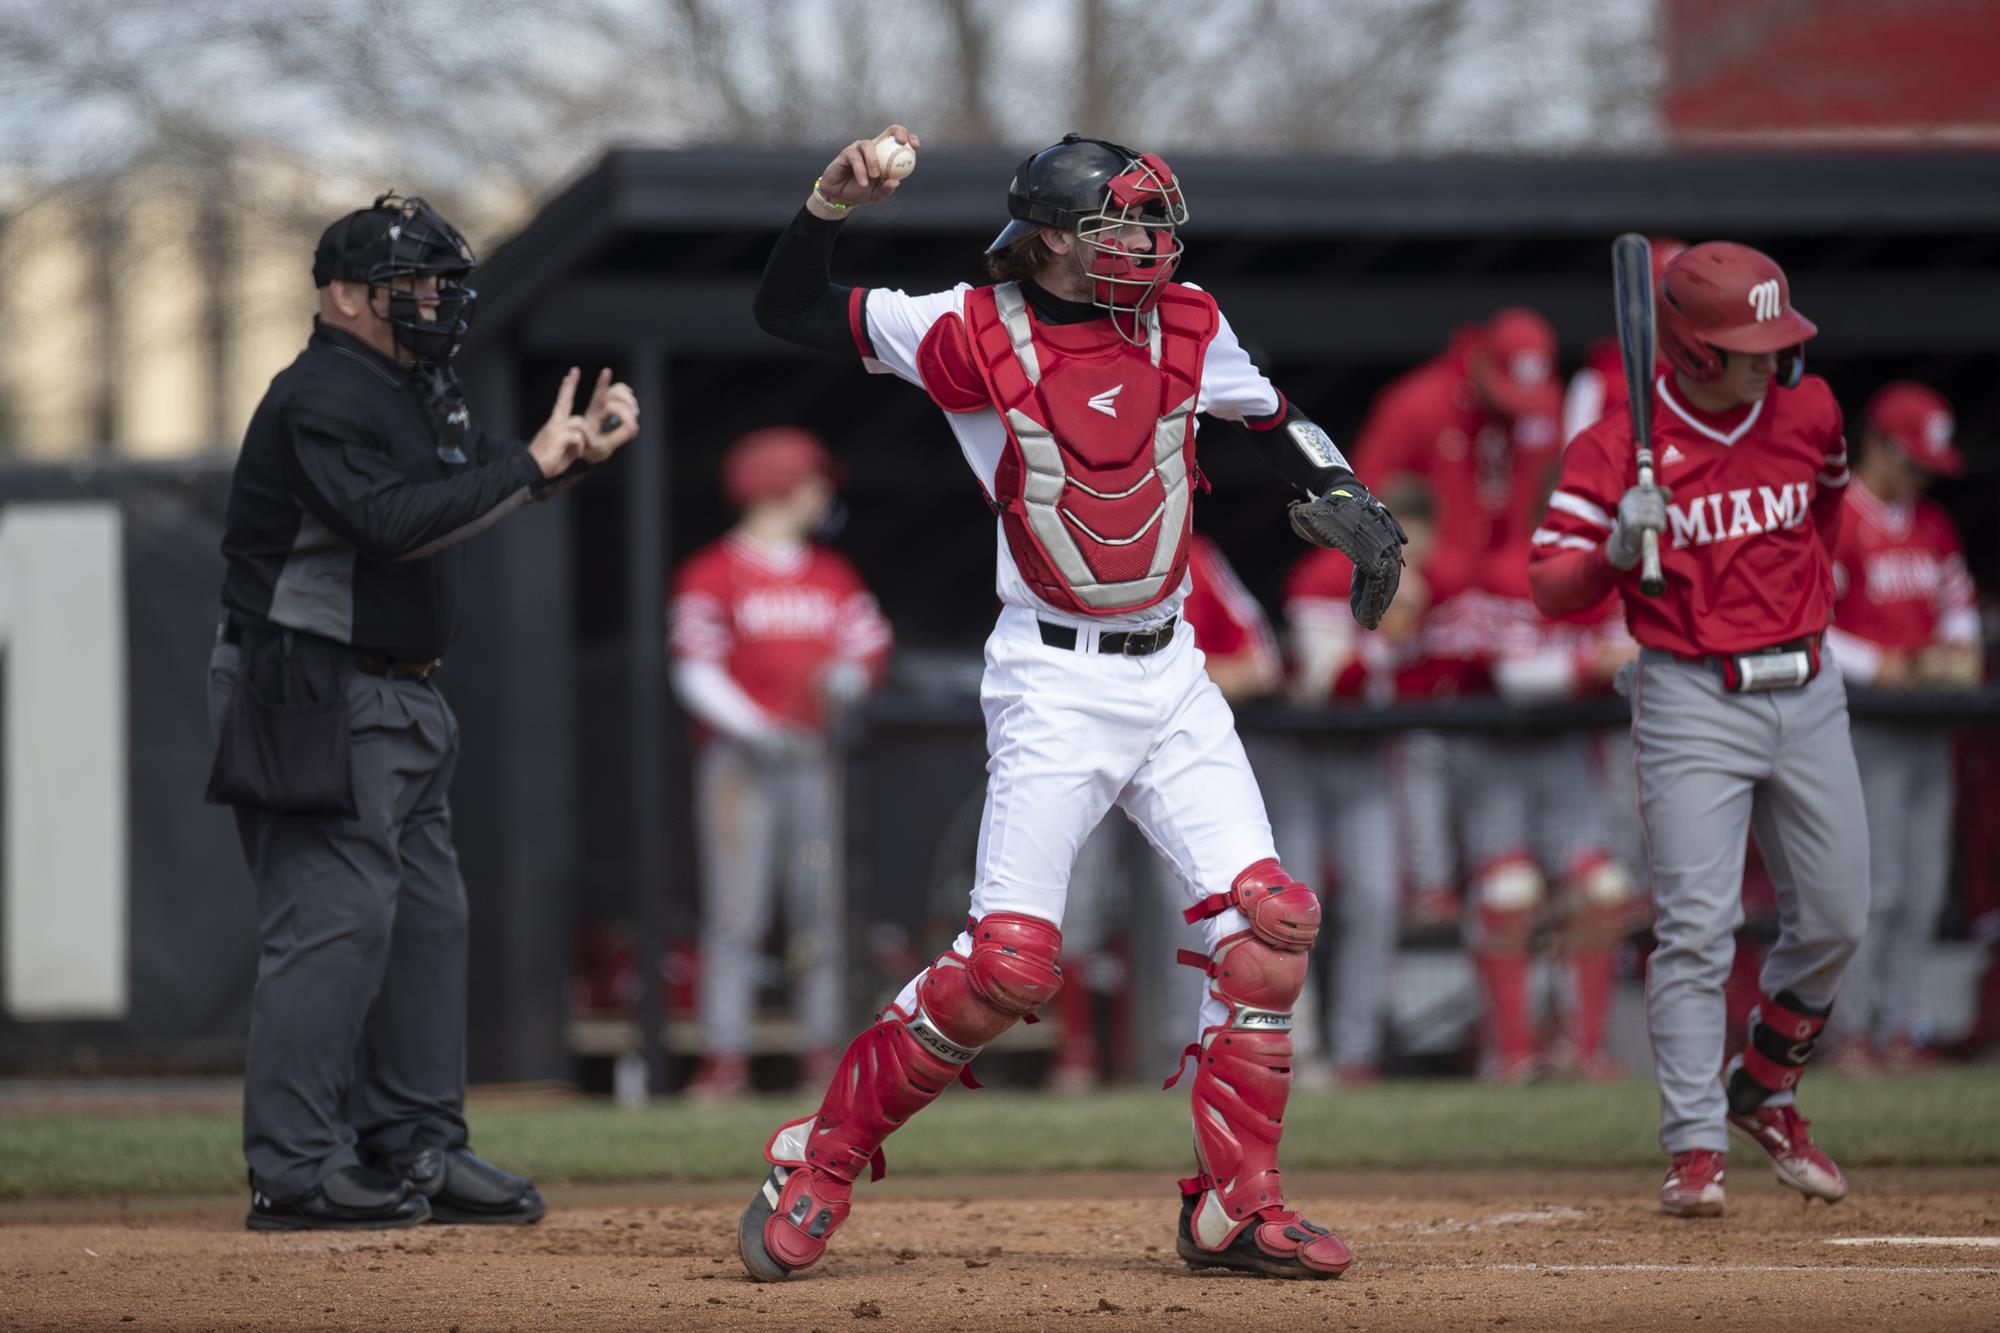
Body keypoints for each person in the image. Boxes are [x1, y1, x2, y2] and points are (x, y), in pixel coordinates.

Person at [738, 127, 1408, 1282]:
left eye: (1154, 226)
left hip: (1173, 670)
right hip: (1051, 677)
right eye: (1121, 228)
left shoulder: (1186, 319)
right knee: (1005, 966)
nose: (1151, 247)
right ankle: (823, 1152)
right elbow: (788, 310)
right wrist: (826, 205)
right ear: (1050, 238)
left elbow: (1269, 413)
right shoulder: (966, 328)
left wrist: (1338, 483)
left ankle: (1234, 1208)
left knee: (1268, 932)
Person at [208, 194, 640, 1229]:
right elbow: (389, 521)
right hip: (308, 684)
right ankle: (294, 1169)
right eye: (413, 285)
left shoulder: (414, 384)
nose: (436, 301)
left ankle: (416, 1142)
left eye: (443, 284)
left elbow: (467, 474)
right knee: (333, 925)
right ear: (345, 295)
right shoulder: (317, 394)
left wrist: (556, 460)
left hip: (400, 690)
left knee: (425, 924)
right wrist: (527, 467)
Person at [1530, 241, 1866, 1218]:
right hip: (1689, 693)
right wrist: (1613, 548)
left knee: (1838, 916)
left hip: (1807, 683)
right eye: (1750, 347)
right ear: (1692, 349)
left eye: (1777, 341)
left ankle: (1761, 1084)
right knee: (1696, 927)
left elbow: (1828, 509)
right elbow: (1549, 585)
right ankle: (1693, 1144)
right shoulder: (1611, 447)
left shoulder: (1810, 409)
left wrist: (1804, 599)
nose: (1773, 360)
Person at [670, 426, 894, 1100]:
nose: (823, 494)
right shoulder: (713, 571)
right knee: (736, 911)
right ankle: (725, 1057)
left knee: (817, 909)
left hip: (814, 761)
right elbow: (694, 670)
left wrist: (853, 676)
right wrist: (756, 726)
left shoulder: (831, 574)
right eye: (813, 481)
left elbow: (870, 643)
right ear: (777, 484)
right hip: (740, 764)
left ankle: (821, 1053)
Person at [1820, 382, 1981, 1070]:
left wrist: (1957, 650)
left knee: (1922, 886)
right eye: (1914, 462)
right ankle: (1851, 1030)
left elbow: (1959, 612)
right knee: (1873, 884)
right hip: (1863, 726)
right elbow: (1805, 625)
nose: (1921, 477)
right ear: (1880, 446)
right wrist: (1878, 664)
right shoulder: (1839, 516)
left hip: (1927, 725)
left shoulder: (1932, 525)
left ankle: (1899, 1026)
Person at [1282, 480, 1436, 1083]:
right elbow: (1328, 684)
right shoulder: (1322, 577)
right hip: (1302, 752)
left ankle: (1356, 1054)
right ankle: (1297, 1048)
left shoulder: (1432, 583)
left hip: (1370, 756)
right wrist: (1389, 634)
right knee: (1294, 905)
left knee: (1375, 898)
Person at [1352, 306, 1564, 559]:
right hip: (1433, 576)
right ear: (1481, 361)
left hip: (1518, 574)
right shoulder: (1418, 406)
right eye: (1506, 396)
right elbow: (1363, 501)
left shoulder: (1546, 408)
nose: (1513, 410)